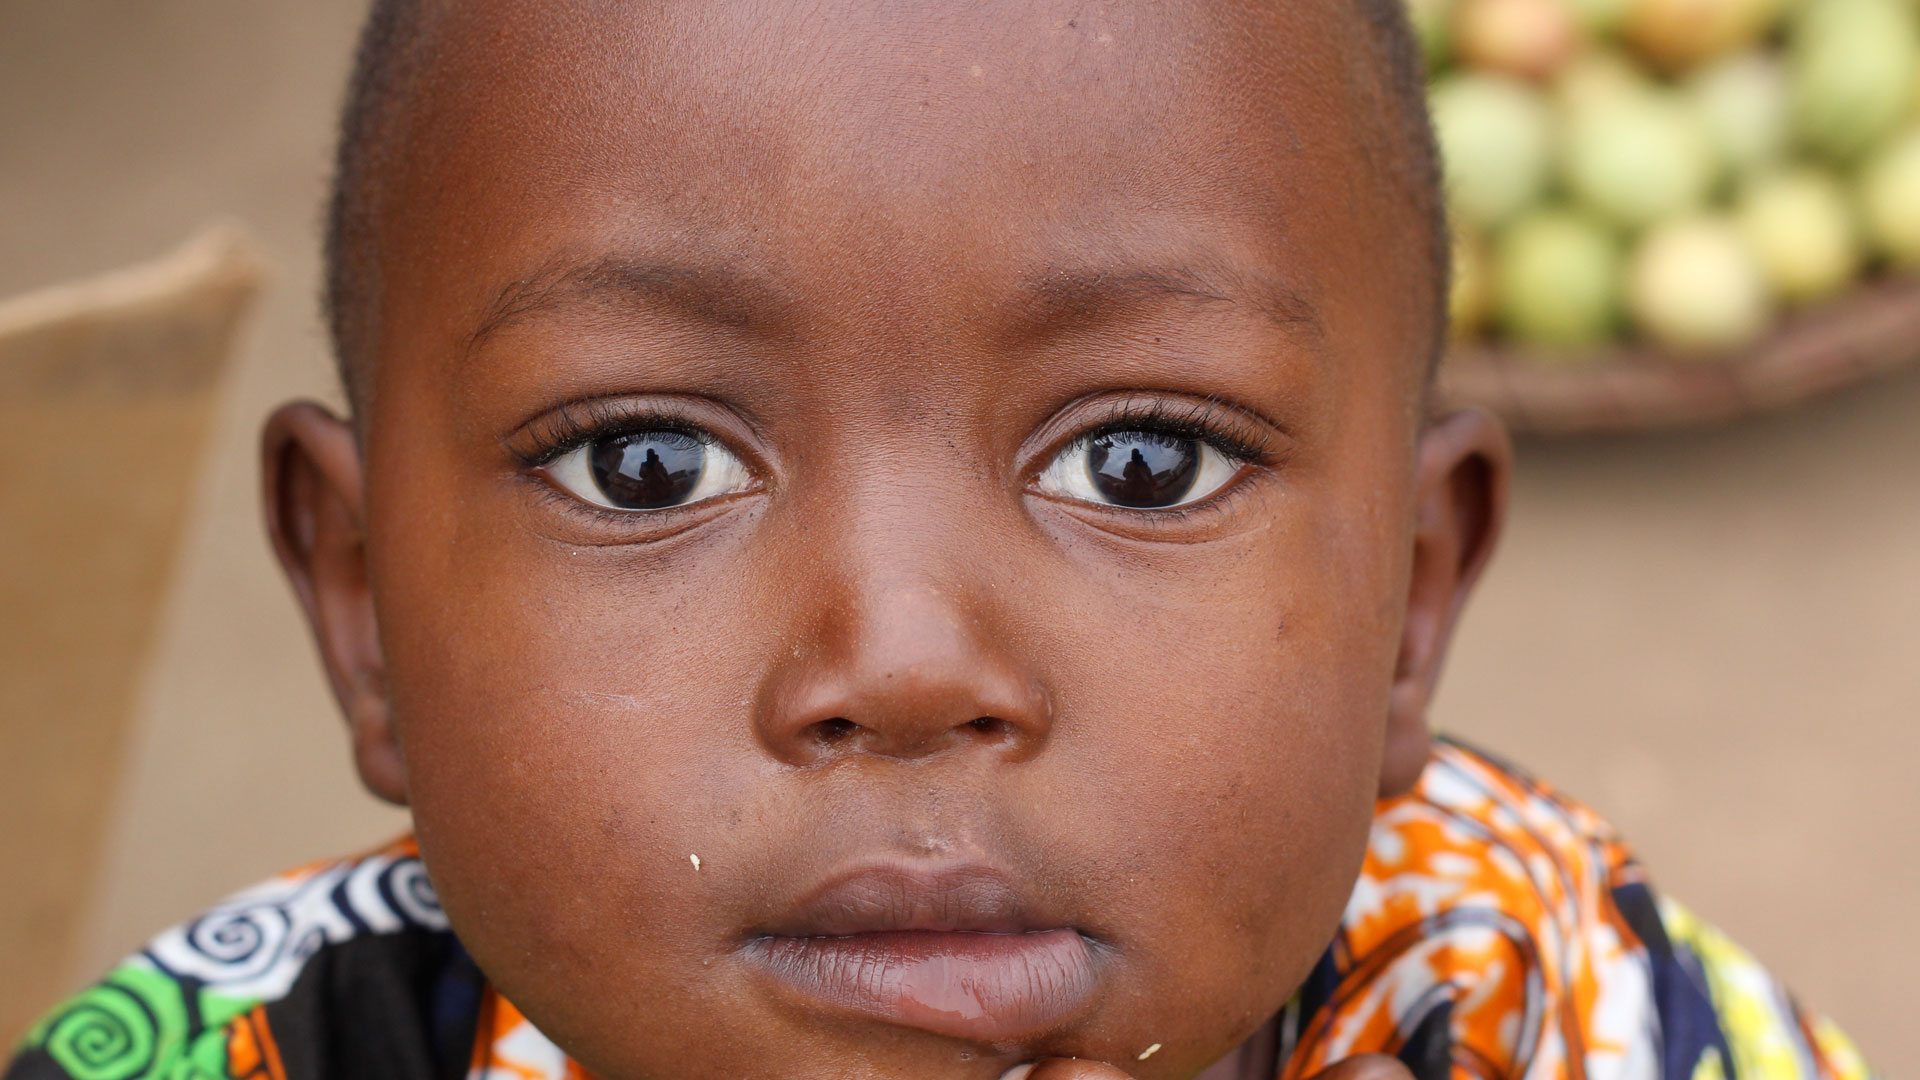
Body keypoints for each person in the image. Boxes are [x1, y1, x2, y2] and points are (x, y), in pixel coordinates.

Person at [6, 1, 1876, 1078]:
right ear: (361, 608)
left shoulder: (1569, 1012)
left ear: (1410, 598)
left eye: (1145, 461)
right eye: (644, 466)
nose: (901, 663)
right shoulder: (257, 1050)